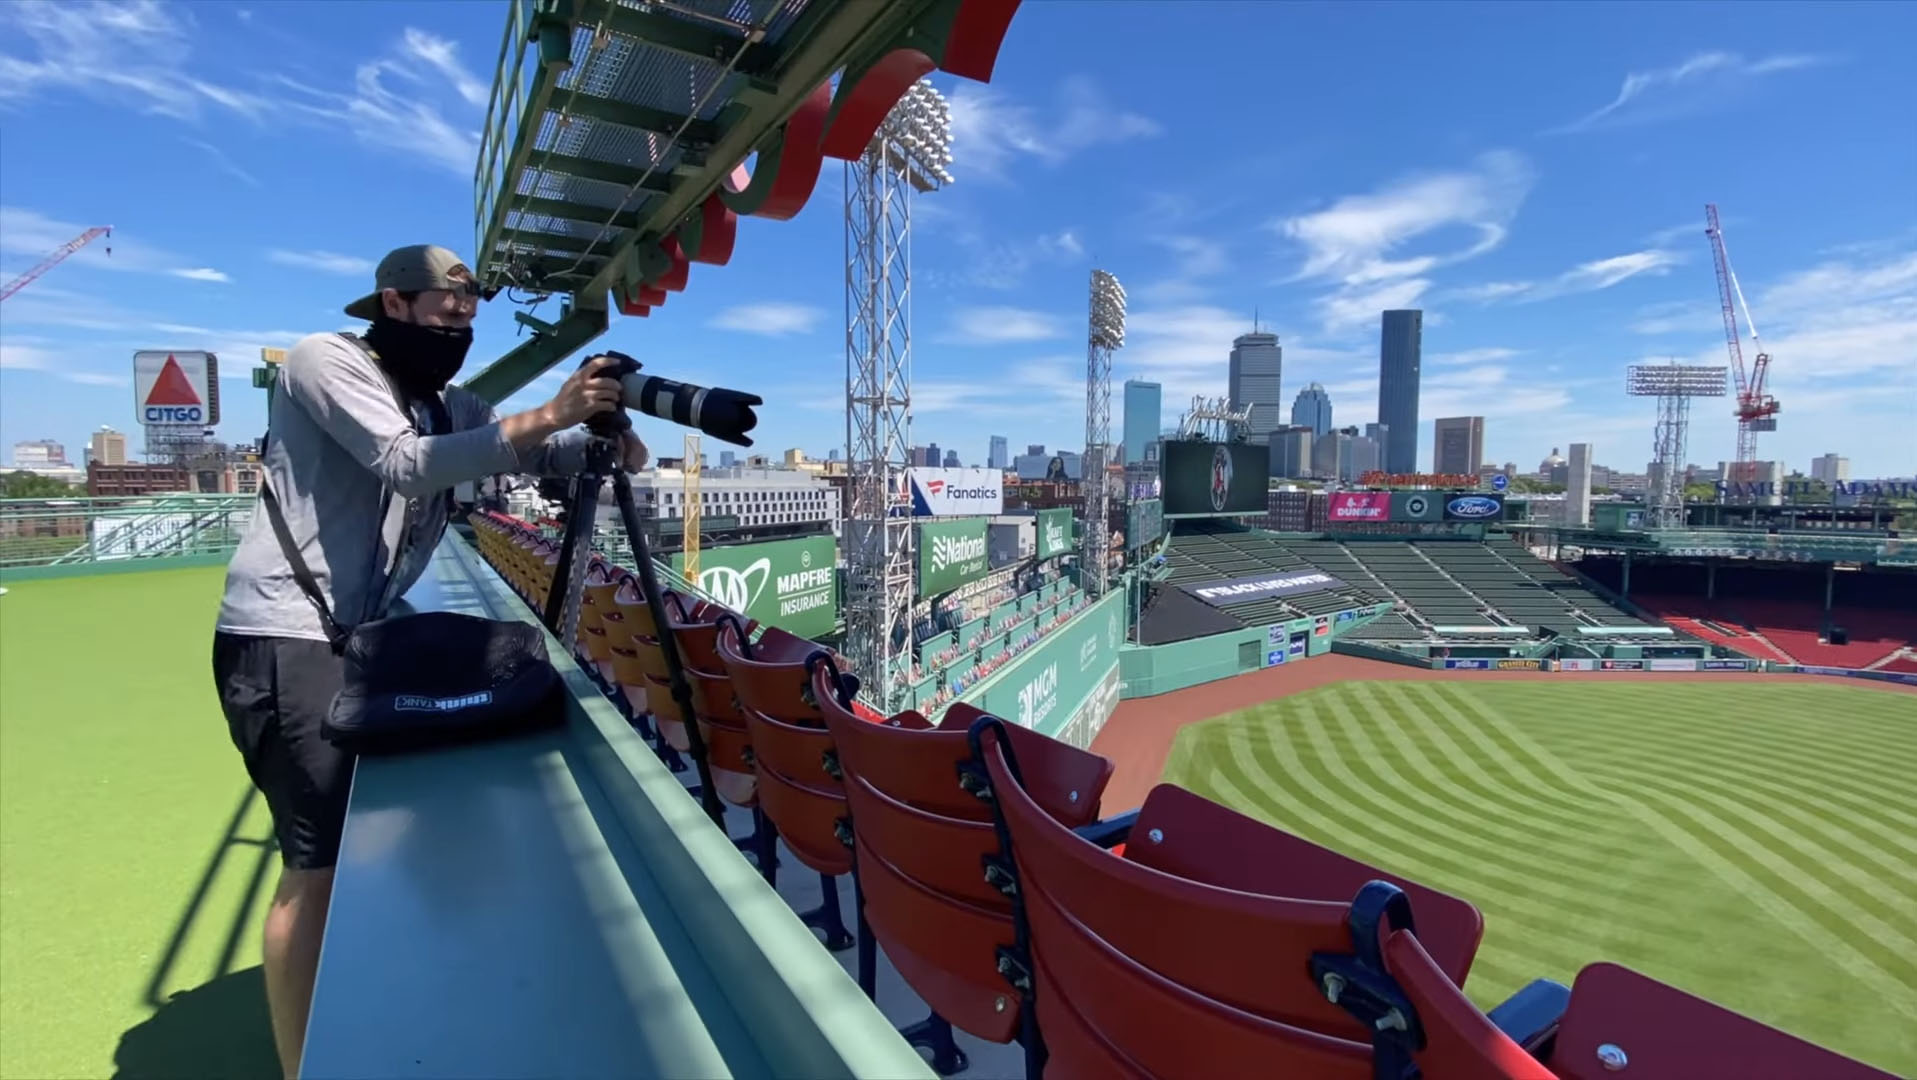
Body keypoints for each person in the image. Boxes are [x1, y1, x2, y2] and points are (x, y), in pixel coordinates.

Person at [210, 245, 646, 1078]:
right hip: (286, 637)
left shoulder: (449, 403)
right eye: (447, 315)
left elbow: (561, 457)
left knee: (358, 852)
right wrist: (552, 411)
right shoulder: (324, 359)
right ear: (394, 303)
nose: (459, 332)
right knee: (317, 868)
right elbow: (407, 467)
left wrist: (608, 427)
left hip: (354, 638)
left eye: (469, 320)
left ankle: (350, 1020)